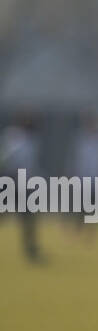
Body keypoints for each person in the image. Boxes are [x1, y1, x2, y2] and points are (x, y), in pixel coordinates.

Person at [1, 113, 44, 263]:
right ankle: (31, 249)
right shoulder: (14, 137)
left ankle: (31, 250)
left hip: (24, 184)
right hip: (11, 180)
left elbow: (30, 165)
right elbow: (8, 159)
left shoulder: (32, 141)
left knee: (28, 218)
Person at [66, 110, 98, 243]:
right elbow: (79, 161)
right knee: (82, 207)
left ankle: (91, 233)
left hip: (97, 180)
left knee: (95, 208)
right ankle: (78, 230)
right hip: (83, 179)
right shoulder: (83, 142)